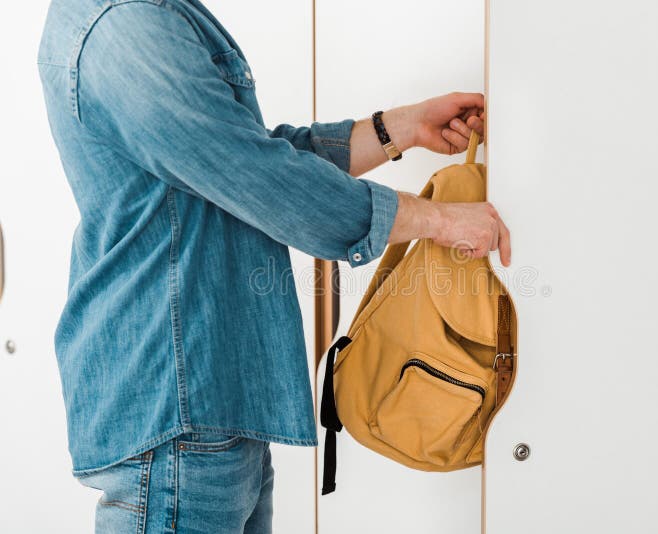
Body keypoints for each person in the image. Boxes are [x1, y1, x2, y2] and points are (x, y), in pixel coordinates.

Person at [37, 0, 511, 532]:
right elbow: (252, 173)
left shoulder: (148, 13)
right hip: (179, 411)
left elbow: (245, 157)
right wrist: (438, 221)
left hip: (207, 401)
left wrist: (396, 129)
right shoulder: (123, 24)